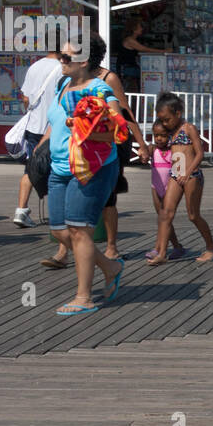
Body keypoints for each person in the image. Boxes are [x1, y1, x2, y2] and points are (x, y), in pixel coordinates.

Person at [40, 36, 125, 315]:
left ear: (84, 61)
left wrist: (79, 125)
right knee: (60, 231)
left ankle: (84, 297)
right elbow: (55, 124)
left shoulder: (99, 89)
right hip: (60, 167)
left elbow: (117, 131)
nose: (60, 60)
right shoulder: (64, 84)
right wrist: (41, 148)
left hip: (89, 168)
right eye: (60, 55)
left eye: (66, 57)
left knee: (79, 230)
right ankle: (110, 267)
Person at [147, 92, 213, 265]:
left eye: (166, 119)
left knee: (193, 215)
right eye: (161, 120)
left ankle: (211, 246)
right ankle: (162, 253)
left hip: (191, 175)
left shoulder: (189, 128)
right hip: (175, 175)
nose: (164, 123)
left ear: (178, 114)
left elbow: (200, 153)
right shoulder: (170, 131)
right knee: (166, 213)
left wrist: (188, 172)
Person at [12, 48, 64, 228]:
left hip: (34, 126)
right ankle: (58, 213)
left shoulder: (34, 67)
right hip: (56, 126)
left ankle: (21, 209)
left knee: (31, 167)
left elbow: (26, 98)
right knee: (58, 168)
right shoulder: (63, 68)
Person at [144, 120, 186, 261]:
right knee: (162, 218)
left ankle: (158, 248)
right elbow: (144, 155)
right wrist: (143, 153)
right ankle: (176, 246)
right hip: (156, 188)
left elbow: (180, 165)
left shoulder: (173, 149)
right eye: (156, 135)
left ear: (169, 135)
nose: (159, 139)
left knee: (164, 218)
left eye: (162, 135)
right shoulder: (152, 149)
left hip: (170, 187)